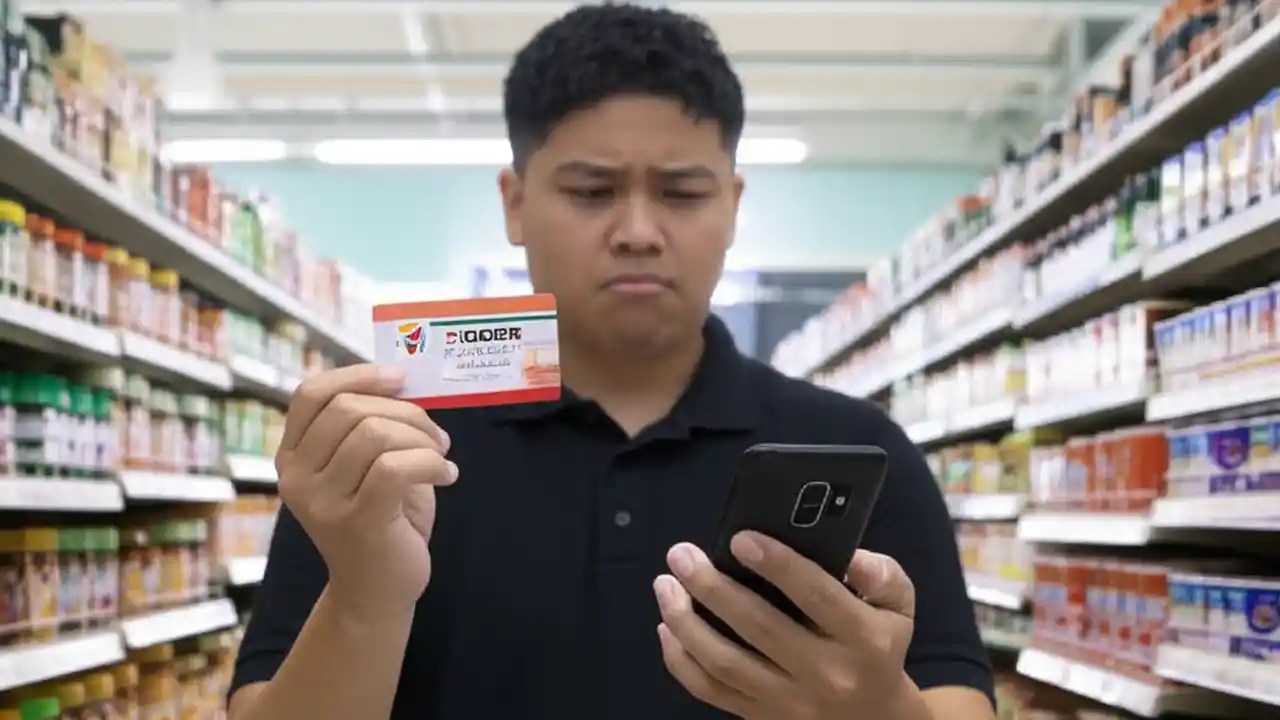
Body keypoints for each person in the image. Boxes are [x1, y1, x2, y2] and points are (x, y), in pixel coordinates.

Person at [227, 4, 996, 719]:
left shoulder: (857, 450)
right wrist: (365, 600)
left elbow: (958, 700)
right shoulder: (389, 451)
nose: (638, 231)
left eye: (682, 193)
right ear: (515, 204)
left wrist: (881, 709)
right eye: (592, 192)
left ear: (733, 205)